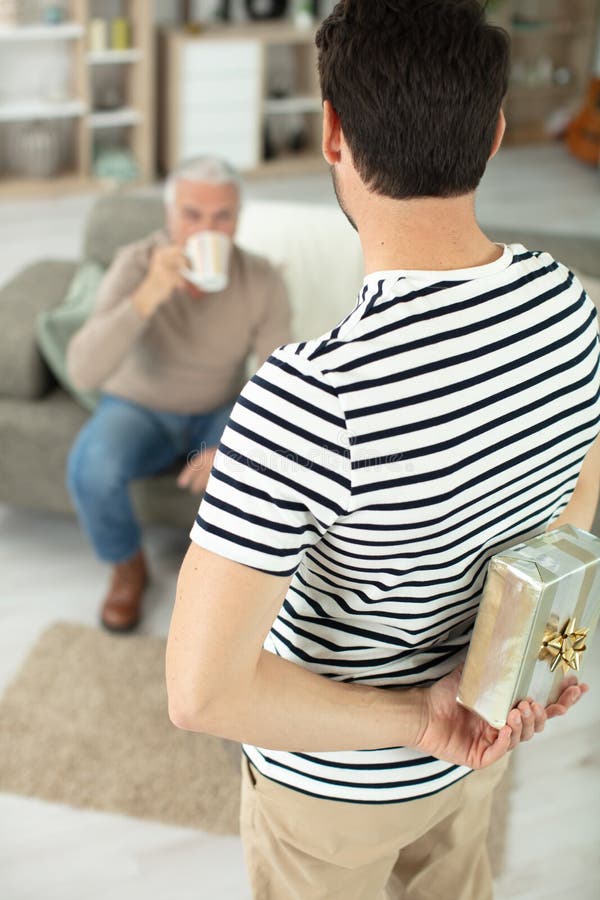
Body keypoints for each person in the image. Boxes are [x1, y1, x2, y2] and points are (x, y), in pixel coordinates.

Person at [166, 4, 599, 899]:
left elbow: (202, 694)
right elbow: (578, 488)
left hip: (340, 792)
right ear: (494, 133)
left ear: (332, 131)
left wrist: (421, 718)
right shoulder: (568, 305)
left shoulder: (306, 398)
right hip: (481, 749)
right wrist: (514, 663)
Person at [66, 156, 291, 633]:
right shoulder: (135, 264)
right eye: (192, 215)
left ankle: (232, 582)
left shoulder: (262, 278)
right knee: (91, 467)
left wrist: (233, 446)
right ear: (169, 216)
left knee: (258, 470)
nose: (206, 229)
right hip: (137, 406)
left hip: (217, 407)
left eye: (222, 217)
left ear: (237, 220)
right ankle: (128, 567)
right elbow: (83, 370)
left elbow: (278, 384)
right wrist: (148, 294)